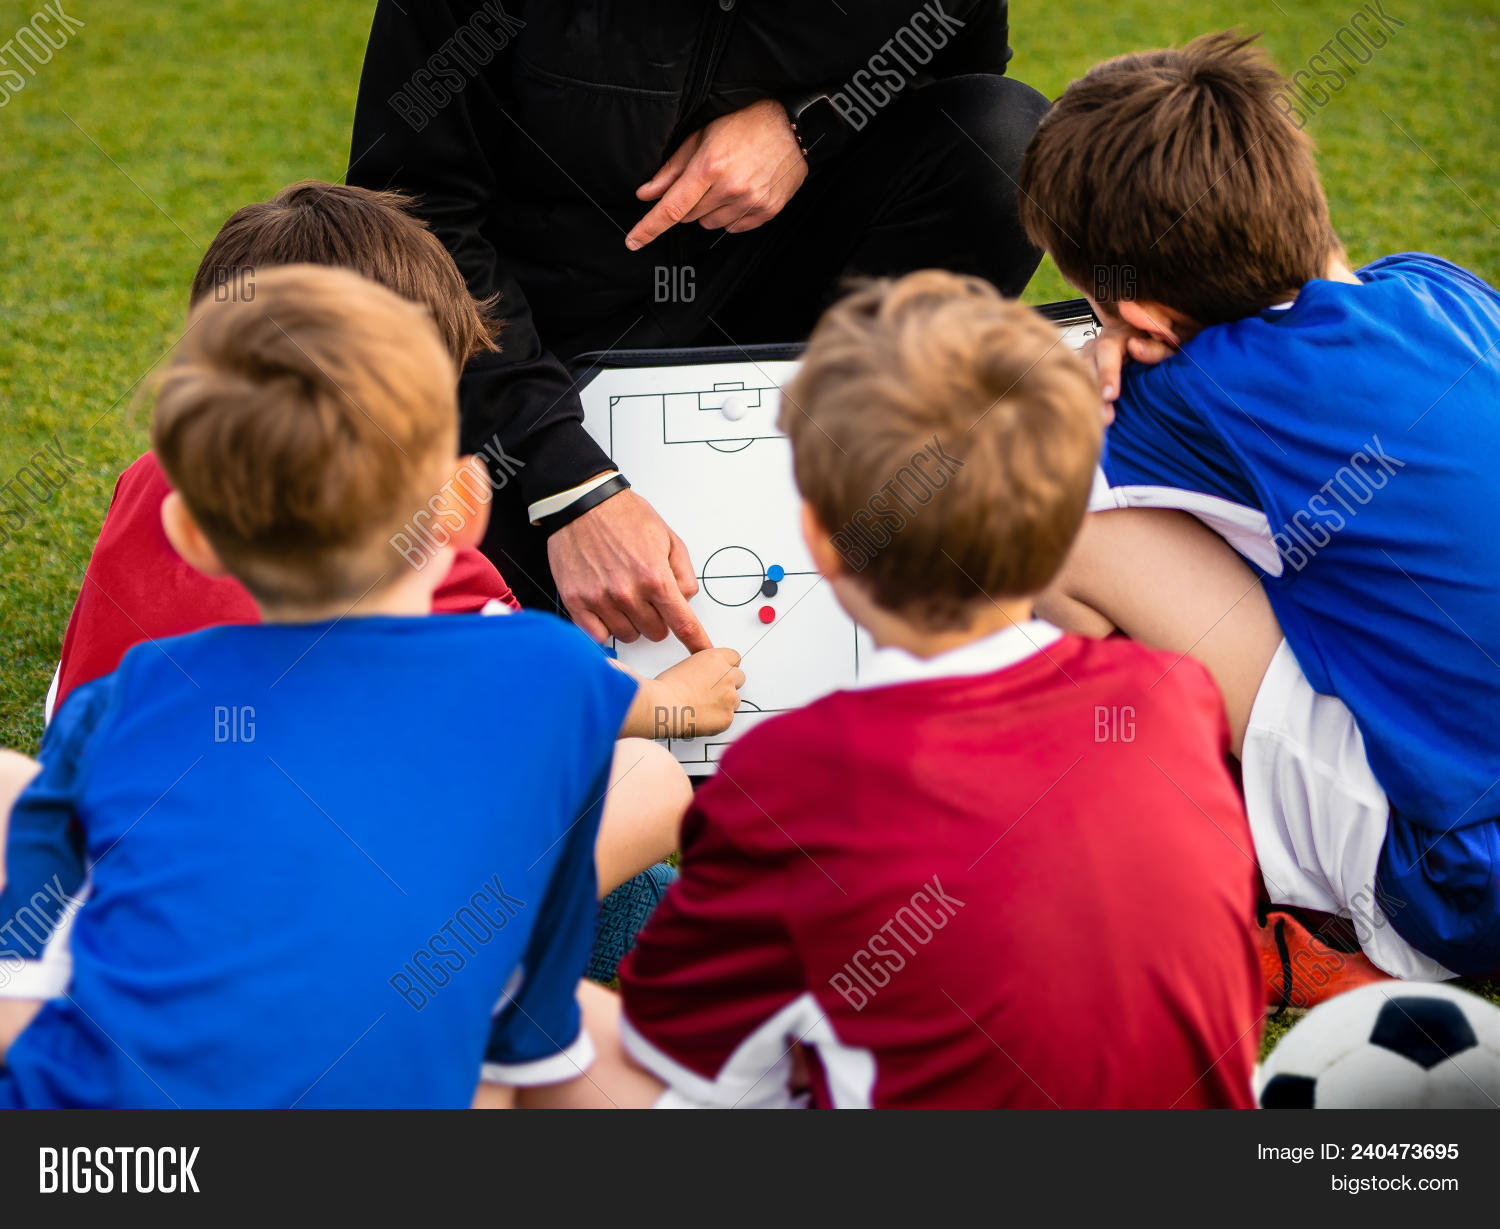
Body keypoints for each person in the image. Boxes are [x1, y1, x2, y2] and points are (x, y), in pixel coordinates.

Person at [0, 266, 742, 1107]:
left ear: (191, 532)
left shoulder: (117, 707)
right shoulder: (548, 673)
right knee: (629, 824)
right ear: (464, 503)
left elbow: (31, 961)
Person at [611, 273, 1263, 1108]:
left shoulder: (785, 775)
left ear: (821, 537)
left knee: (542, 1042)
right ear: (1070, 523)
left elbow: (684, 1055)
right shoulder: (1170, 697)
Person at [47, 180, 694, 902]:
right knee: (648, 779)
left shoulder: (149, 477)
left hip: (114, 864)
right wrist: (679, 700)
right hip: (336, 911)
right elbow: (562, 695)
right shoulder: (420, 539)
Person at [1017, 32, 1500, 983]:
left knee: (1054, 531)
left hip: (1455, 885)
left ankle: (1215, 855)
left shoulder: (1196, 389)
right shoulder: (1445, 289)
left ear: (1147, 327)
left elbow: (994, 467)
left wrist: (1079, 371)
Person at [348, 0, 1050, 645]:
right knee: (504, 674)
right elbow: (411, 218)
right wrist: (566, 484)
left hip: (781, 301)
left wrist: (806, 125)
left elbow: (948, 86)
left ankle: (853, 479)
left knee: (1002, 140)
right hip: (533, 348)